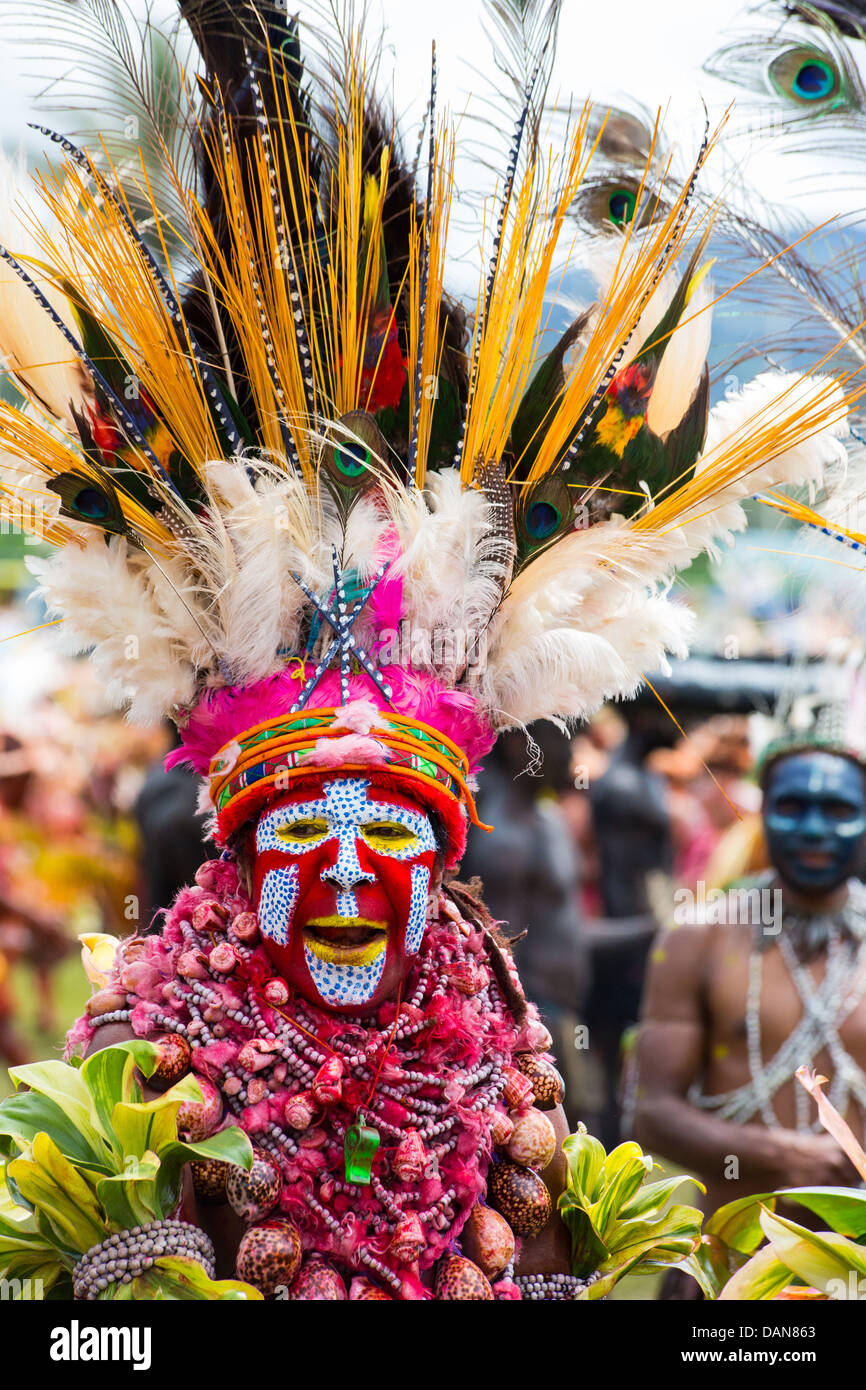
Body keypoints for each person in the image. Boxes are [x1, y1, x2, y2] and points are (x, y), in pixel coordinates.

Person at [0, 0, 853, 1302]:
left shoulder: (495, 1024)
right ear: (239, 856)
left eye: (386, 836)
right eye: (304, 835)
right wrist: (119, 1281)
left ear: (444, 859)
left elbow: (545, 1247)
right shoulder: (139, 1051)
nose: (347, 873)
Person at [634, 708, 866, 1296]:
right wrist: (787, 1156)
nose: (814, 829)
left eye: (839, 810)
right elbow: (650, 1113)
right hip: (729, 1270)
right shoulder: (698, 936)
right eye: (792, 807)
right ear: (761, 811)